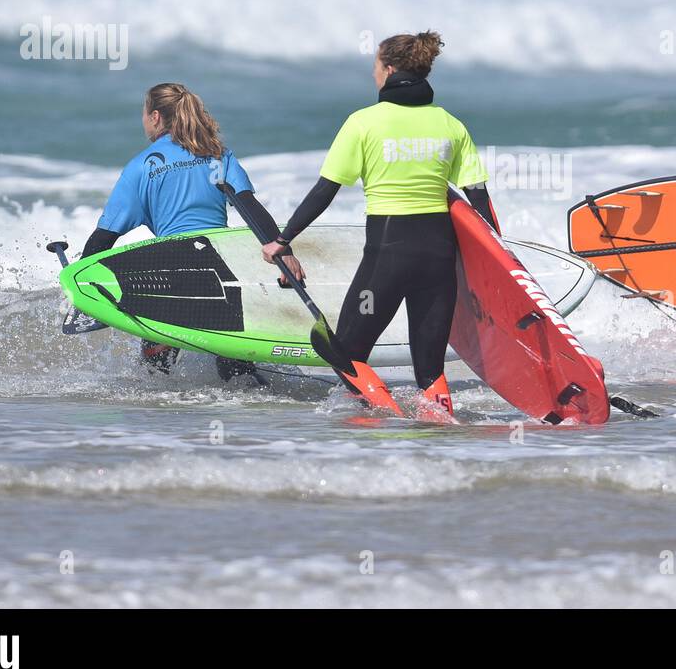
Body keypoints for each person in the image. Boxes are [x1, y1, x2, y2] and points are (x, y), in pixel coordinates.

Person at [262, 31, 499, 419]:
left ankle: (383, 425)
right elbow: (478, 197)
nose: (373, 72)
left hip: (389, 255)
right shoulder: (451, 125)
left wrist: (283, 239)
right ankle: (442, 438)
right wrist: (496, 258)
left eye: (375, 65)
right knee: (429, 368)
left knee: (343, 351)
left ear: (388, 69)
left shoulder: (364, 123)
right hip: (439, 258)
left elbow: (326, 190)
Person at [82, 83, 299, 380]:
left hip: (170, 275)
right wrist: (283, 253)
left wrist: (81, 289)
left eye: (144, 114)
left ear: (156, 117)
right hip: (223, 273)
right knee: (236, 371)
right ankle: (257, 414)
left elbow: (103, 239)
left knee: (155, 375)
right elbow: (250, 207)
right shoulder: (217, 155)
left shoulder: (142, 167)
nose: (143, 120)